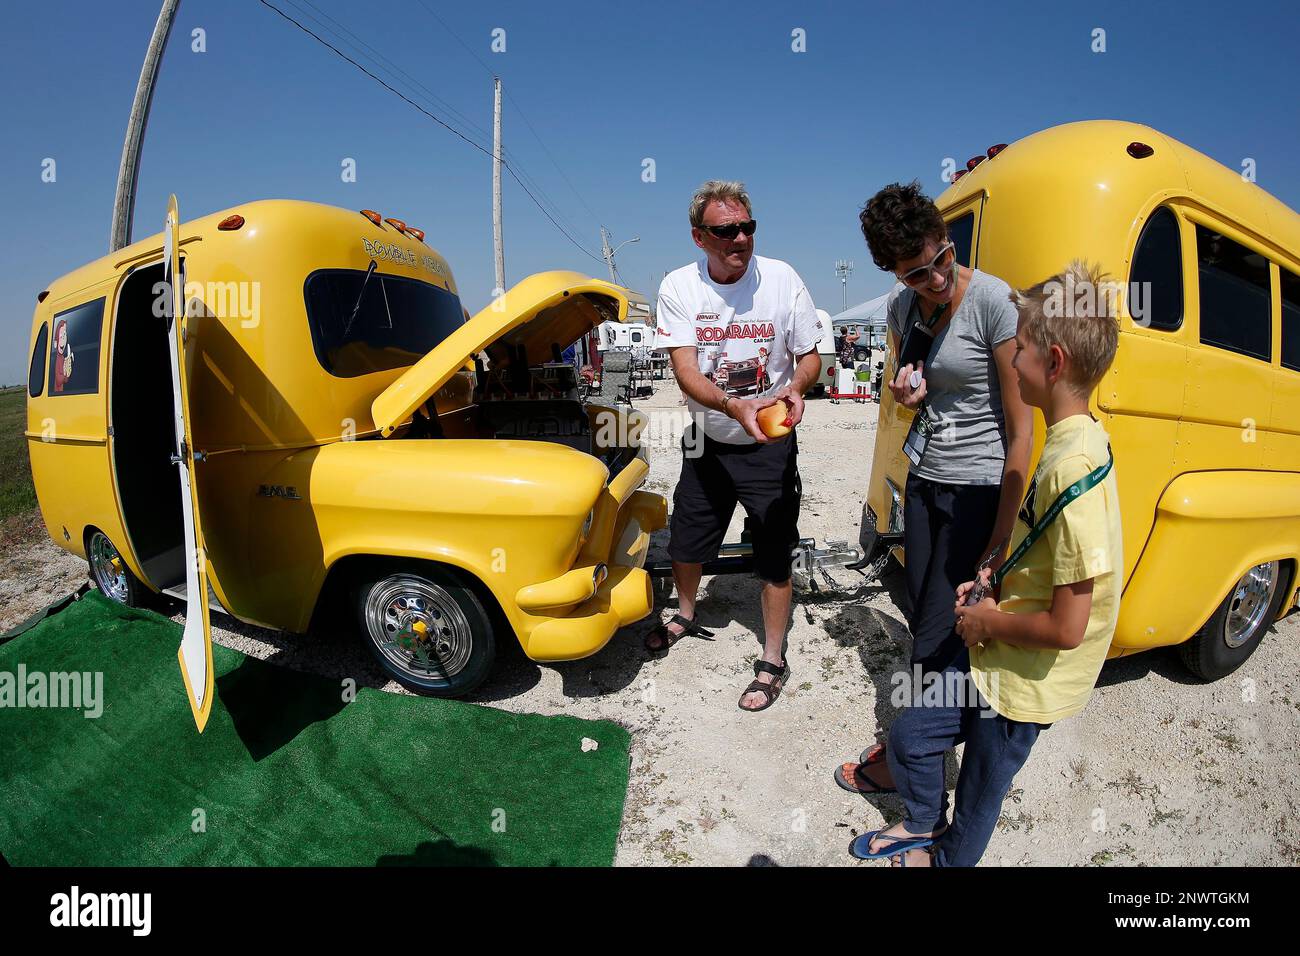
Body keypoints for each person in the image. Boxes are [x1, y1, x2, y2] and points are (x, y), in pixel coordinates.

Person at [851, 260, 1123, 866]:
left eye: (1020, 349)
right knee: (912, 736)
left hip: (1025, 682)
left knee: (978, 796)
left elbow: (1069, 626)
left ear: (1052, 364)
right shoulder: (1067, 443)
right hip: (995, 655)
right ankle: (922, 821)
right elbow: (1042, 547)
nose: (1011, 358)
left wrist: (987, 622)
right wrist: (993, 572)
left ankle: (945, 858)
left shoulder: (1071, 467)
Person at [833, 181, 1032, 806]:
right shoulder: (902, 308)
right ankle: (937, 739)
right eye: (916, 273)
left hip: (978, 487)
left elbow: (1021, 424)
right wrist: (905, 391)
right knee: (926, 614)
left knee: (942, 630)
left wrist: (1002, 536)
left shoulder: (994, 301)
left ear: (948, 242)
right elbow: (905, 383)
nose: (936, 277)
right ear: (893, 270)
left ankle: (914, 758)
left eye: (941, 258)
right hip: (926, 477)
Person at [645, 180, 823, 711]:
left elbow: (809, 355)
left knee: (773, 548)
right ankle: (685, 612)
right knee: (687, 536)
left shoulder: (782, 278)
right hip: (707, 435)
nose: (740, 238)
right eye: (726, 230)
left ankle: (773, 657)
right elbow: (685, 373)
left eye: (747, 227)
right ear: (700, 237)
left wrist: (795, 387)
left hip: (768, 439)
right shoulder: (680, 286)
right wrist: (732, 406)